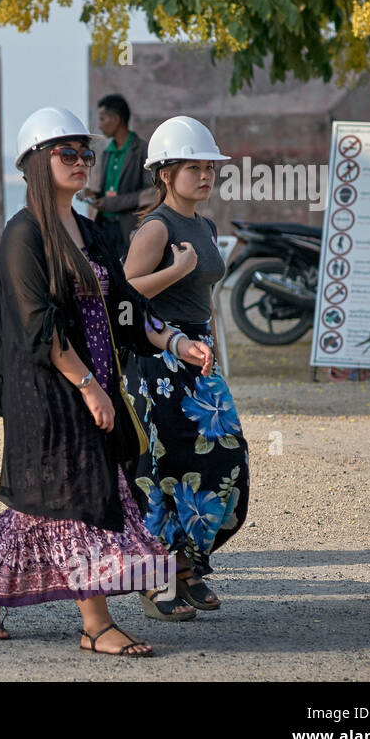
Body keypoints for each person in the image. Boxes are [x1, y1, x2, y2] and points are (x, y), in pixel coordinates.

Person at [0, 107, 212, 656]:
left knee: (44, 502)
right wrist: (87, 386)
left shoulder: (91, 231)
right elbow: (35, 321)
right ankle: (95, 624)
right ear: (33, 163)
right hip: (49, 389)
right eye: (65, 153)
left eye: (85, 153)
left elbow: (125, 304)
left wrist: (174, 342)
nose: (80, 162)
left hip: (93, 380)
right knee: (80, 494)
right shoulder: (21, 234)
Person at [122, 115, 250, 619]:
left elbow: (206, 297)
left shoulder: (206, 225)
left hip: (198, 358)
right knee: (164, 468)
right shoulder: (157, 227)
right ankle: (158, 580)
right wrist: (174, 270)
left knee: (223, 462)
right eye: (193, 167)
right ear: (164, 173)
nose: (204, 175)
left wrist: (213, 346)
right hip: (156, 362)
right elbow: (126, 297)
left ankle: (189, 566)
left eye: (209, 167)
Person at [81, 94, 156, 258]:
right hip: (104, 228)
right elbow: (107, 190)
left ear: (115, 119)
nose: (99, 126)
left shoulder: (143, 150)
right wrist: (93, 195)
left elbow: (151, 194)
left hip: (129, 230)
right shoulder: (106, 152)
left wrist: (112, 203)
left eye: (102, 119)